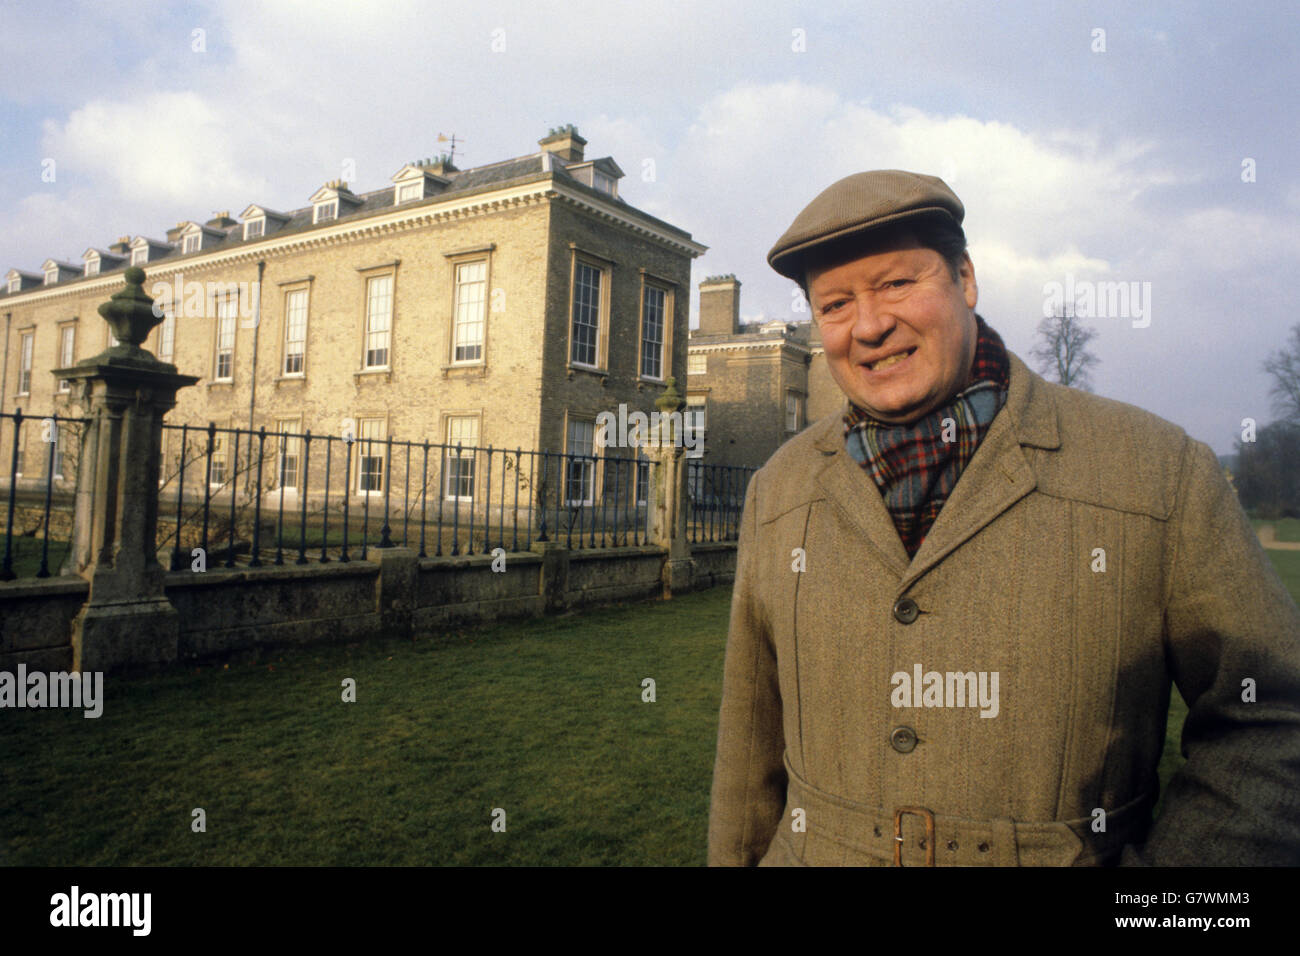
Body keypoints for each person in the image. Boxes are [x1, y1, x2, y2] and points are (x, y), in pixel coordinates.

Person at [706, 169, 1300, 866]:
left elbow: (1269, 725)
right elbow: (749, 744)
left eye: (897, 283)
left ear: (966, 278)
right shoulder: (778, 490)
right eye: (835, 304)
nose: (868, 326)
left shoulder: (1160, 470)